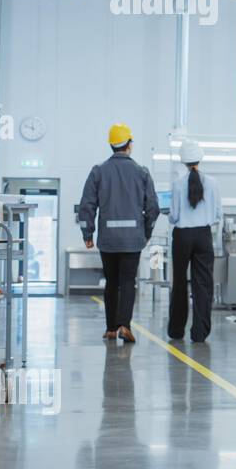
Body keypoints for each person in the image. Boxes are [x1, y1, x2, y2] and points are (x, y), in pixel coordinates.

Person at [78, 123, 160, 343]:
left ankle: (111, 328)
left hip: (108, 240)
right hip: (133, 239)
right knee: (127, 282)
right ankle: (125, 325)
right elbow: (153, 207)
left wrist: (87, 234)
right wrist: (147, 231)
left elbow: (87, 205)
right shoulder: (142, 172)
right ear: (129, 145)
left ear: (112, 145)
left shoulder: (98, 171)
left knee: (112, 282)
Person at [168, 140, 221, 342]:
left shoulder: (177, 184)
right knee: (203, 284)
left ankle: (176, 330)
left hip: (182, 236)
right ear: (200, 158)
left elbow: (173, 216)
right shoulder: (213, 183)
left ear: (183, 161)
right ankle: (200, 333)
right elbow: (218, 214)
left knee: (180, 283)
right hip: (203, 236)